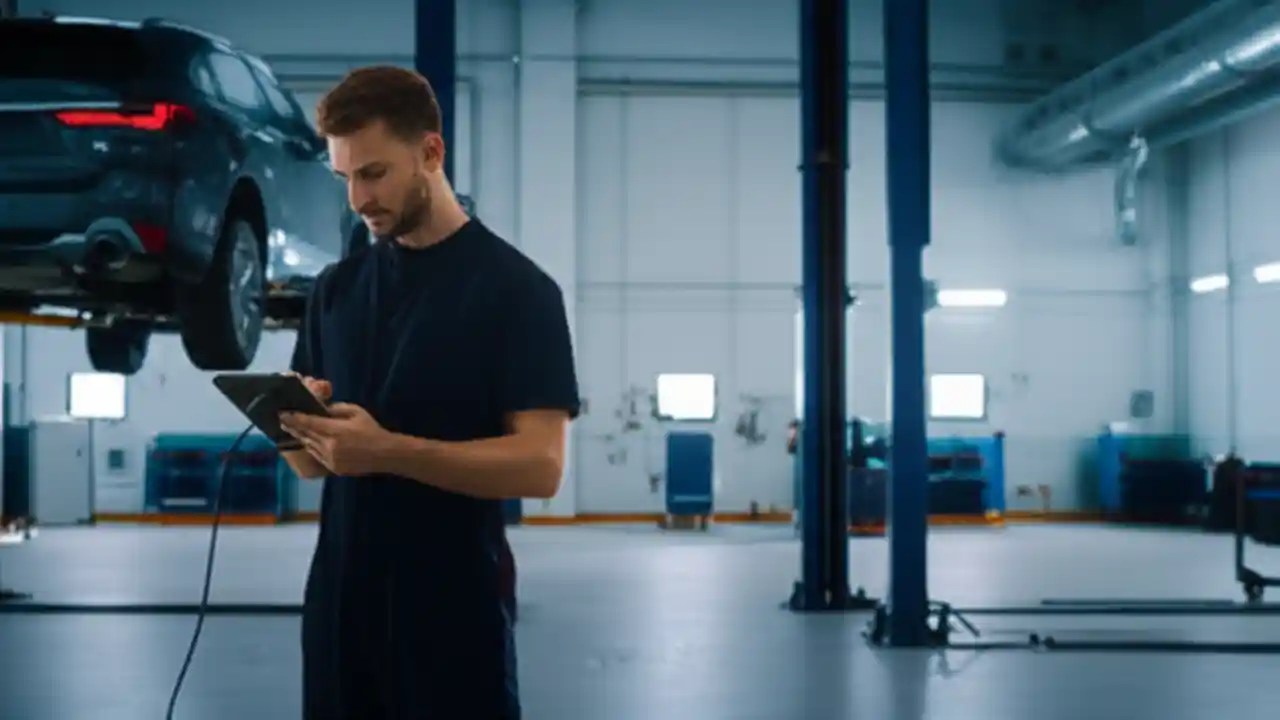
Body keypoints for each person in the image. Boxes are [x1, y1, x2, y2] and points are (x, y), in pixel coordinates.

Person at [277, 65, 580, 720]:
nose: (358, 198)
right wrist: (294, 421)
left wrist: (386, 451)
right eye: (346, 178)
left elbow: (542, 466)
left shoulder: (517, 292)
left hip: (452, 619)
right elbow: (309, 466)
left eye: (375, 173)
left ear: (431, 153)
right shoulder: (335, 289)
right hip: (339, 613)